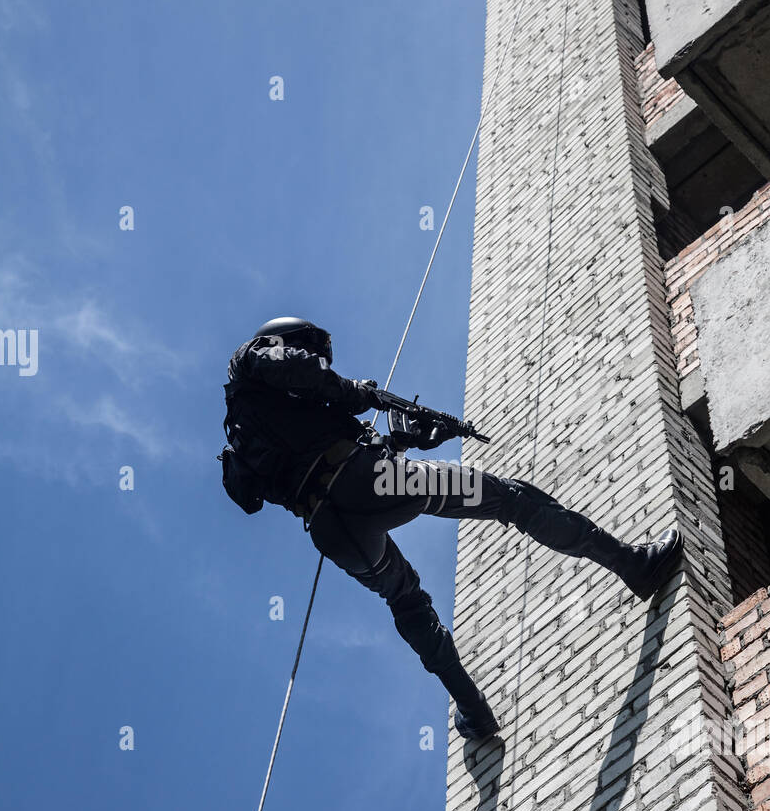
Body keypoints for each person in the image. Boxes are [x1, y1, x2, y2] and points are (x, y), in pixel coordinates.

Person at [223, 317, 684, 740]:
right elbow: (307, 379)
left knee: (407, 603)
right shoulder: (251, 359)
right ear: (289, 342)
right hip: (367, 480)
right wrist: (360, 392)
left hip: (334, 532)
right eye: (317, 355)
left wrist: (406, 437)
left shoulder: (247, 429)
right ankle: (634, 565)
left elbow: (311, 450)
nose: (322, 366)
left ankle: (474, 712)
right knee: (507, 498)